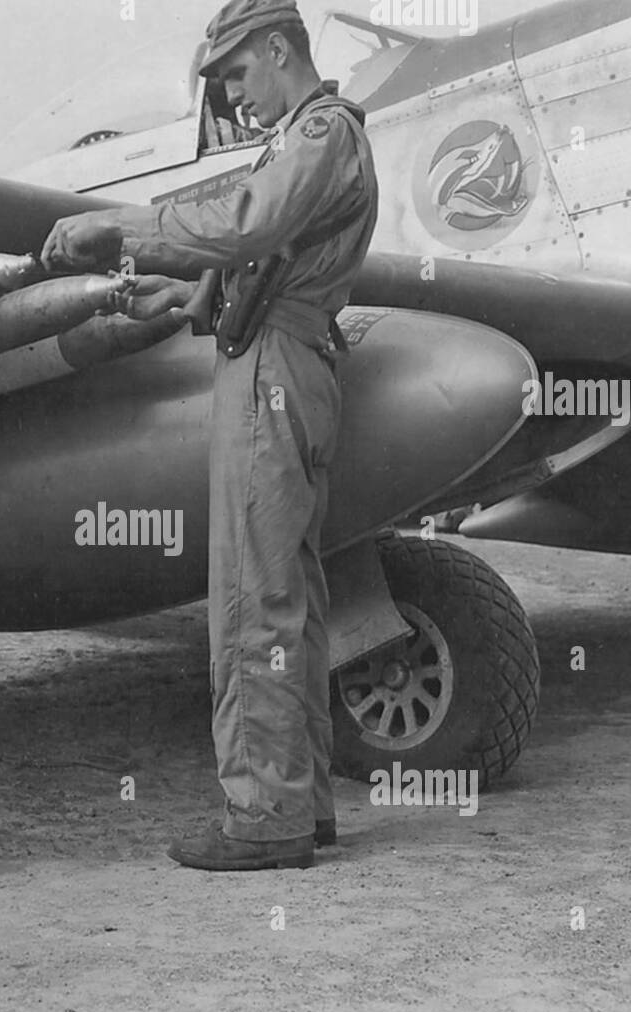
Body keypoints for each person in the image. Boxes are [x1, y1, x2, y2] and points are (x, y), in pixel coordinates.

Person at [41, 0, 378, 870]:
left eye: (236, 74)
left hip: (272, 376)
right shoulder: (304, 142)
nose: (234, 96)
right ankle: (303, 806)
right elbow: (264, 254)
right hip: (282, 361)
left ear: (279, 49)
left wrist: (125, 231)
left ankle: (264, 816)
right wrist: (182, 299)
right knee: (288, 595)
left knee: (250, 596)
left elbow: (249, 224)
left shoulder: (320, 134)